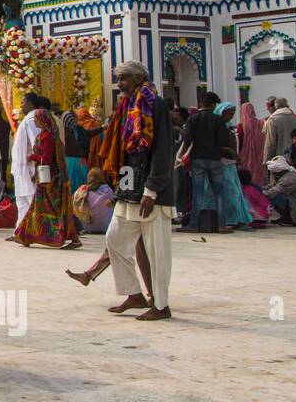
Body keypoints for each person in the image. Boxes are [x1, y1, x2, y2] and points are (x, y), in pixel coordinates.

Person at [98, 60, 175, 321]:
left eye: (125, 78)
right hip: (130, 185)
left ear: (140, 77)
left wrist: (152, 190)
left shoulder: (155, 104)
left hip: (153, 191)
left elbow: (163, 148)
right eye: (118, 78)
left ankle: (161, 305)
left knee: (157, 251)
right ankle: (133, 293)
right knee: (115, 238)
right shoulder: (127, 106)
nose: (120, 83)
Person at [13, 105, 81, 248]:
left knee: (47, 208)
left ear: (43, 120)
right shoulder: (47, 134)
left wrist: (32, 156)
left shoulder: (47, 137)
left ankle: (26, 236)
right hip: (48, 177)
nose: (35, 122)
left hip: (49, 180)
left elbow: (46, 158)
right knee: (45, 208)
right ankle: (25, 236)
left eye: (37, 119)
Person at [178, 92, 235, 233]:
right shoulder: (218, 120)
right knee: (219, 193)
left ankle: (193, 225)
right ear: (213, 104)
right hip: (215, 159)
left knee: (198, 193)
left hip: (197, 159)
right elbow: (223, 141)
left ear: (201, 103)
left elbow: (187, 140)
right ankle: (222, 225)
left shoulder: (192, 119)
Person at [11, 94, 42, 224]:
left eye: (23, 103)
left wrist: (36, 166)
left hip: (29, 168)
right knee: (22, 202)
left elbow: (37, 143)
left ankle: (40, 231)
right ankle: (20, 232)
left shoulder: (32, 120)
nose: (21, 105)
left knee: (31, 200)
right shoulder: (28, 119)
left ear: (30, 104)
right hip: (21, 168)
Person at [265, 155, 296, 225]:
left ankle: (288, 219)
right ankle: (285, 217)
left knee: (274, 196)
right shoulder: (286, 175)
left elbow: (273, 192)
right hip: (293, 203)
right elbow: (272, 186)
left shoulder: (289, 178)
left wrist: (260, 194)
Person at [72, 167, 115, 235]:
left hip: (86, 227)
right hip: (104, 227)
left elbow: (74, 206)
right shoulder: (108, 190)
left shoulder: (82, 190)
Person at [236, 102, 267, 187]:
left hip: (245, 156)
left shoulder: (241, 125)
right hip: (259, 155)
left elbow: (239, 142)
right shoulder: (261, 124)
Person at [263, 97, 296, 162]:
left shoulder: (272, 120)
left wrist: (267, 160)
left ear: (276, 107)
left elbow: (270, 143)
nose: (267, 109)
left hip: (280, 159)